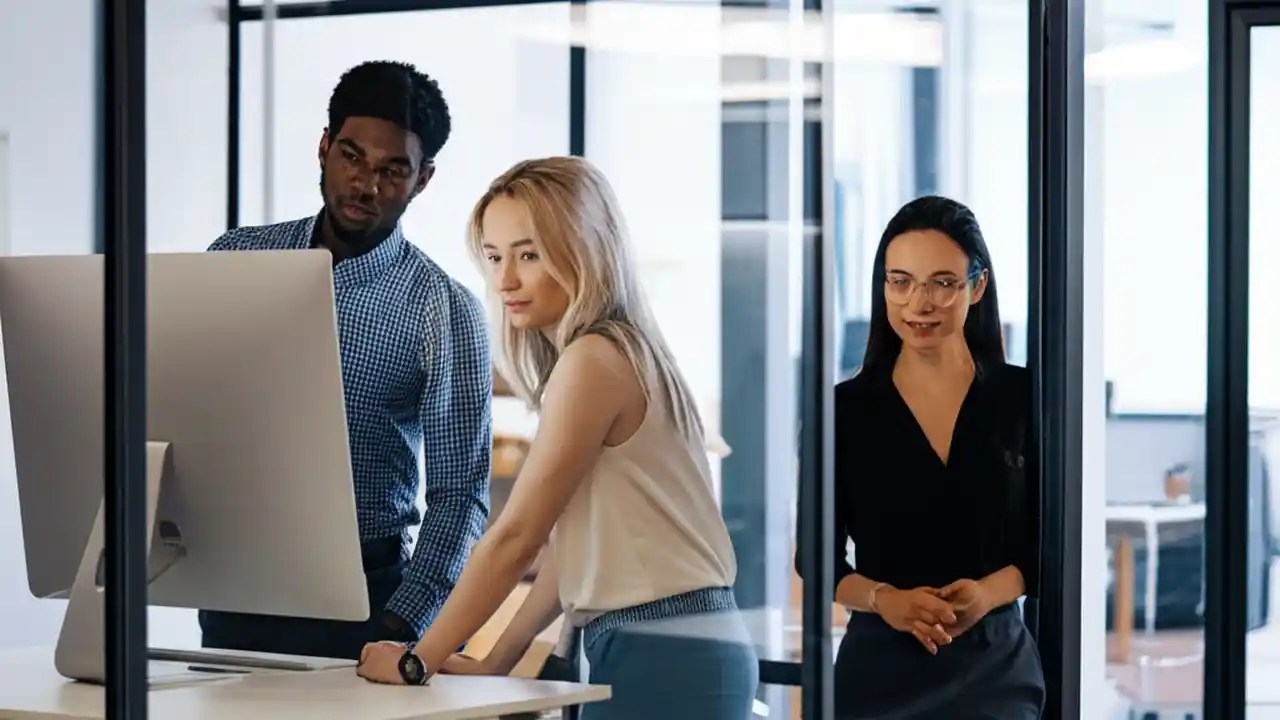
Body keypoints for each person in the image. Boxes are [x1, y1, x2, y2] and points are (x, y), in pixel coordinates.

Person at [355, 157, 760, 720]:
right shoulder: (616, 352)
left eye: (529, 254)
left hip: (666, 649)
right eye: (494, 258)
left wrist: (417, 660)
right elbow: (566, 556)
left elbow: (516, 536)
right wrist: (496, 660)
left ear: (585, 250)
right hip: (661, 643)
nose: (505, 281)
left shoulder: (594, 360)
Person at [198, 60, 492, 661]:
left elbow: (461, 492)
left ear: (423, 180)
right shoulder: (235, 259)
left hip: (365, 602)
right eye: (352, 157)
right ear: (324, 147)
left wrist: (402, 621)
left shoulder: (444, 309)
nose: (366, 186)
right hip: (233, 595)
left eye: (393, 171)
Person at [808, 195, 1044, 718]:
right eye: (901, 282)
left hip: (995, 669)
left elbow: (1046, 546)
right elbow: (816, 557)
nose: (920, 303)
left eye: (943, 282)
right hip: (878, 674)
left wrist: (986, 594)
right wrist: (885, 599)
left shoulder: (1023, 399)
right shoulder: (844, 411)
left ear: (977, 286)